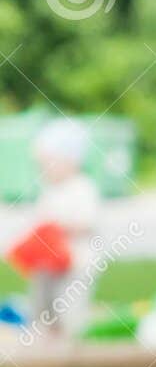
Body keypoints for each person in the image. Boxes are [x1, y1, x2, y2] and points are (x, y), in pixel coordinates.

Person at [21, 118, 101, 342]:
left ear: (71, 161)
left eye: (47, 163)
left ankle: (69, 342)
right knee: (42, 302)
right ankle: (45, 337)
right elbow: (40, 221)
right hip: (49, 262)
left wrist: (59, 227)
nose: (42, 170)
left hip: (76, 263)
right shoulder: (49, 190)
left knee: (69, 304)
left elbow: (86, 221)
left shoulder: (82, 188)